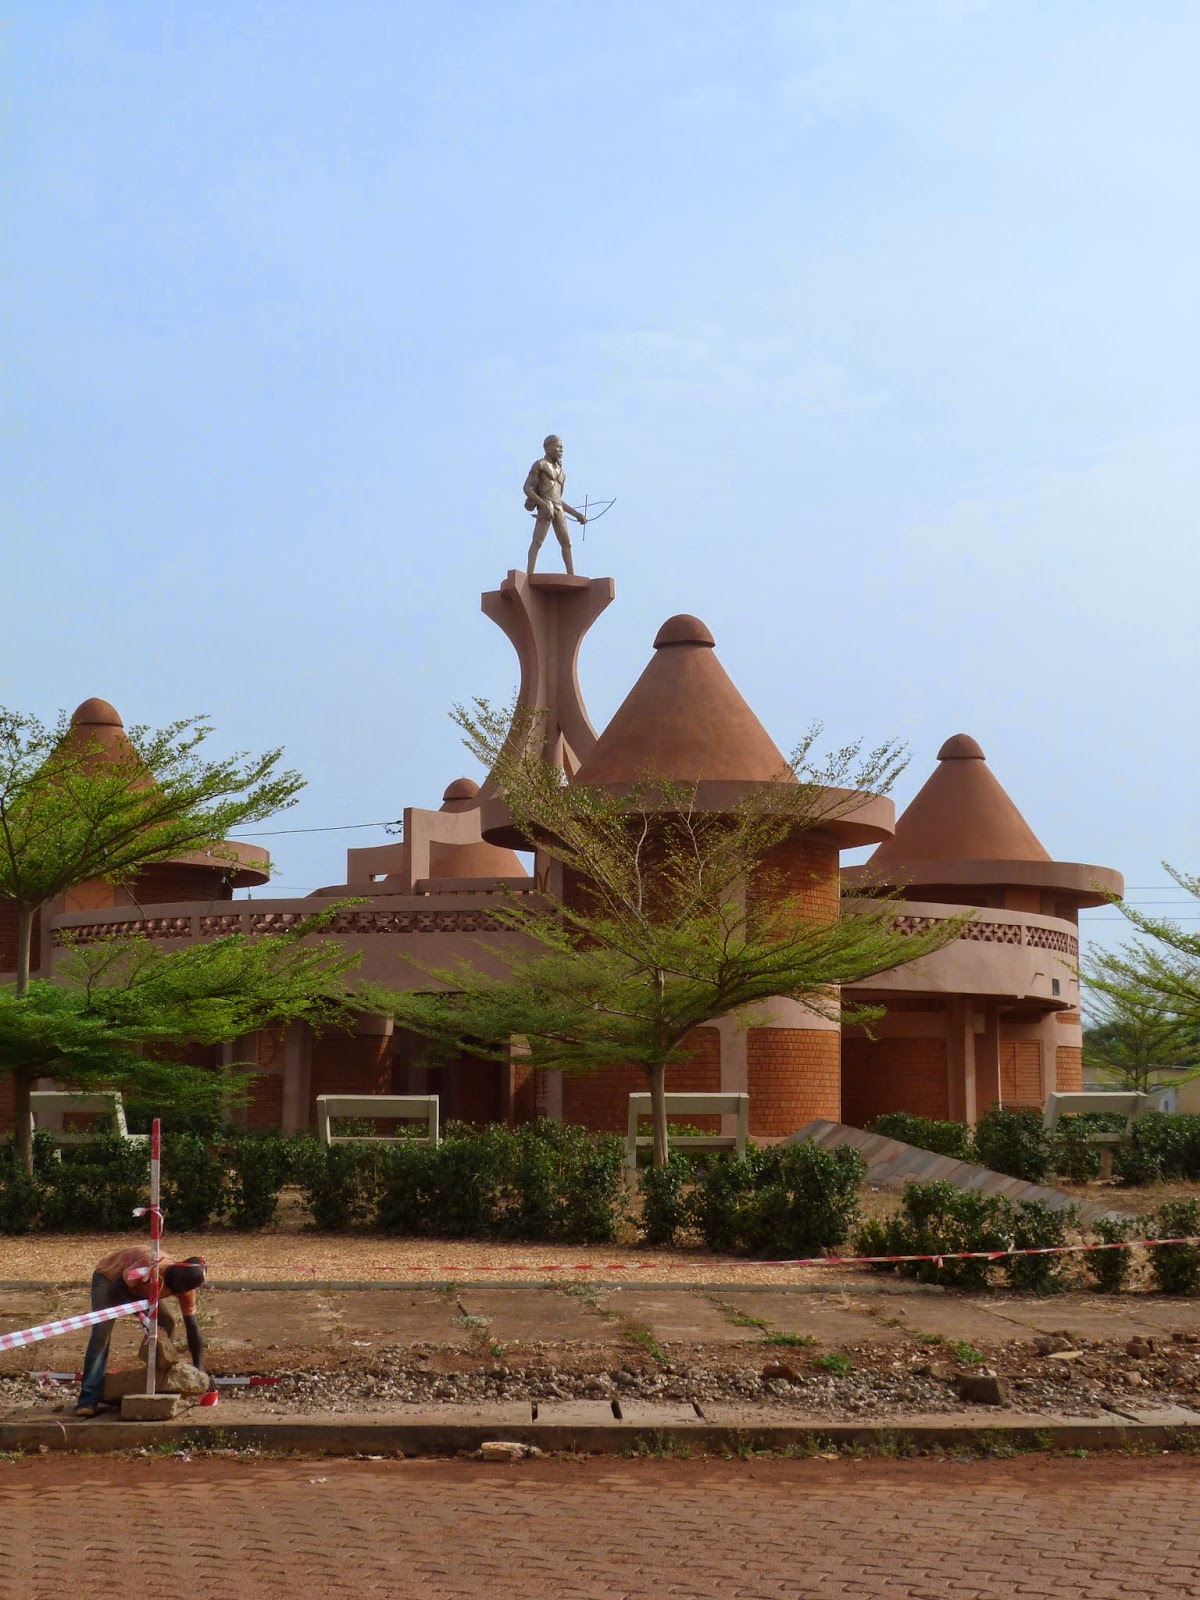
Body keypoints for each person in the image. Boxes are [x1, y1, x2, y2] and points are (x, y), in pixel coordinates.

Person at [74, 1247, 208, 1417]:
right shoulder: (149, 1266)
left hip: (142, 1288)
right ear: (171, 1274)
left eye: (178, 1291)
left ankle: (158, 1380)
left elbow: (192, 1327)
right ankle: (88, 1400)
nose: (175, 1292)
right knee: (102, 1333)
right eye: (172, 1288)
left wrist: (200, 1369)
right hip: (110, 1279)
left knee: (167, 1322)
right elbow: (117, 1289)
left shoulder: (186, 1289)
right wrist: (143, 1317)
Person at [524, 434, 587, 575]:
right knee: (537, 541)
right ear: (548, 447)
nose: (561, 450)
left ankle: (571, 575)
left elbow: (558, 499)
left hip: (558, 508)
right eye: (558, 446)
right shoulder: (540, 464)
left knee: (567, 544)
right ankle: (529, 574)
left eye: (562, 447)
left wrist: (577, 514)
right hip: (546, 506)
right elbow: (527, 488)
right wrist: (542, 504)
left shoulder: (561, 473)